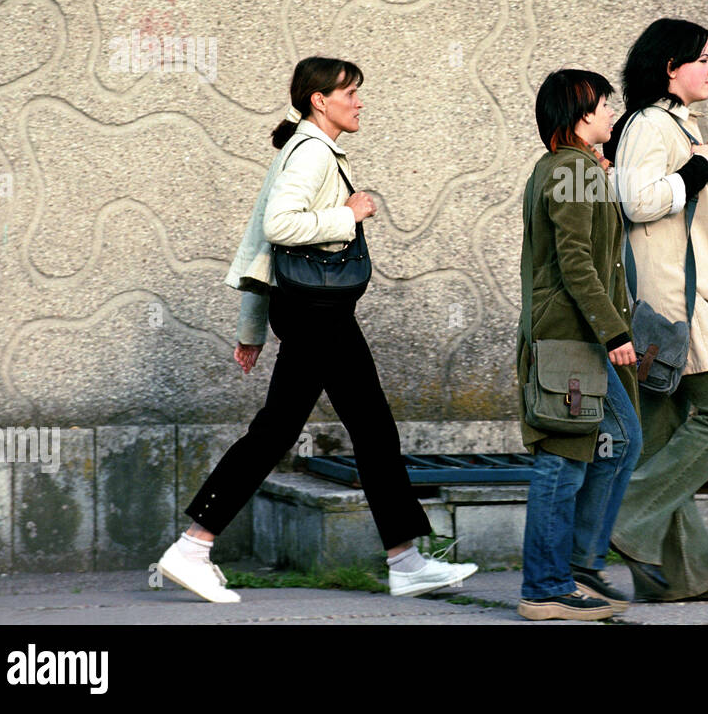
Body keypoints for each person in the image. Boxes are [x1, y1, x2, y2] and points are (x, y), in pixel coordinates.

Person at [157, 56, 477, 602]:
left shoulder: (304, 149)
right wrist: (350, 215)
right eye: (349, 92)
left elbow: (258, 246)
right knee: (337, 430)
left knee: (329, 428)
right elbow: (278, 227)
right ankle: (193, 546)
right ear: (318, 100)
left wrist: (252, 326)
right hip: (317, 315)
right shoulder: (309, 152)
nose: (358, 101)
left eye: (358, 91)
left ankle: (403, 559)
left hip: (312, 313)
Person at [601, 18, 708, 602]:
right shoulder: (652, 124)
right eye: (705, 58)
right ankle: (627, 515)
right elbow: (638, 202)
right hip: (669, 306)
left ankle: (677, 578)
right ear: (671, 67)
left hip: (677, 301)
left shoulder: (669, 124)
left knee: (662, 441)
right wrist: (701, 168)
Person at [515, 68, 644, 621]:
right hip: (571, 337)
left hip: (578, 336)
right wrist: (613, 329)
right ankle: (547, 587)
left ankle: (576, 567)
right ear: (578, 114)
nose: (611, 114)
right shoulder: (571, 168)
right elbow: (575, 261)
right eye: (603, 106)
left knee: (620, 438)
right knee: (563, 457)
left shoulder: (575, 169)